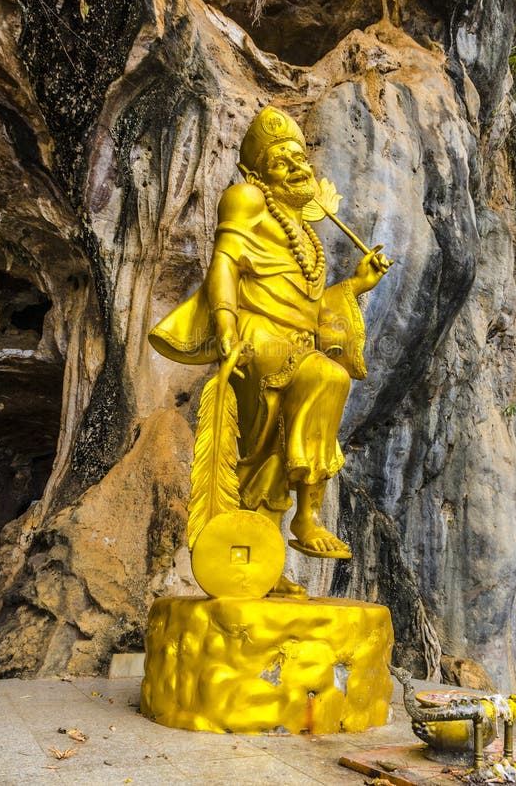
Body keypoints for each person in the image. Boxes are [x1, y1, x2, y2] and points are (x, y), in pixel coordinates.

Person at [150, 106, 389, 593]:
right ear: (256, 171)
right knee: (311, 394)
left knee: (274, 455)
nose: (297, 167)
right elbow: (225, 264)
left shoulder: (303, 229)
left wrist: (357, 286)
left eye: (300, 158)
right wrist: (224, 324)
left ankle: (261, 562)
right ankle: (299, 523)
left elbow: (311, 306)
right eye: (281, 161)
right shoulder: (245, 198)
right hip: (258, 339)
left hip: (297, 342)